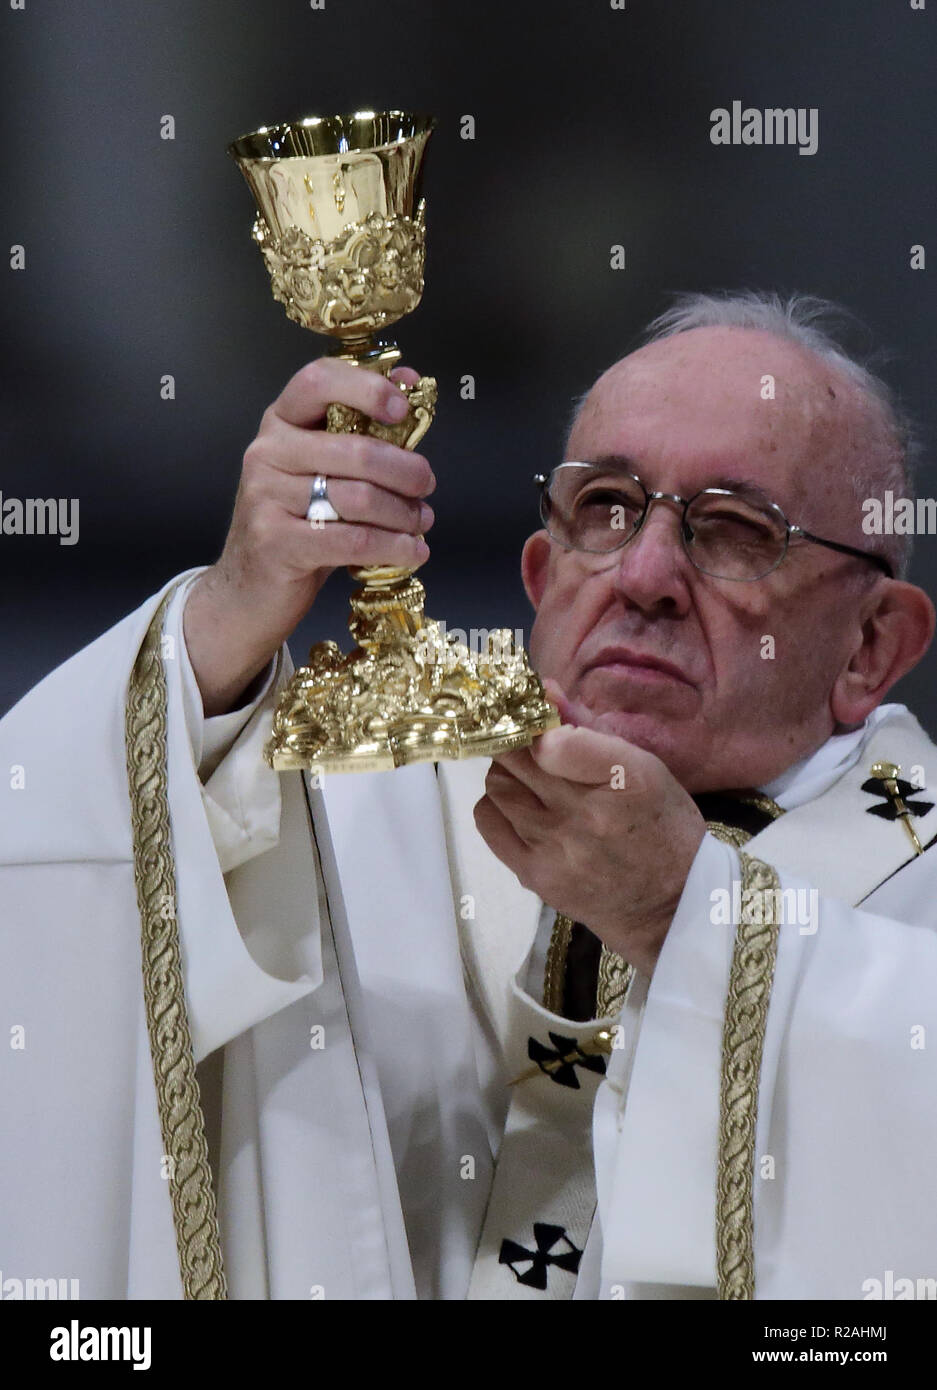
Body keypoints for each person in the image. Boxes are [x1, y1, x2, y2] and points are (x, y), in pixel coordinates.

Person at [2, 290, 937, 1301]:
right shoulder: (361, 799)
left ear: (872, 645)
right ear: (539, 576)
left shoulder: (907, 898)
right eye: (605, 509)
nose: (646, 574)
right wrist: (228, 617)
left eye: (735, 529)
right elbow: (62, 874)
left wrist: (683, 918)